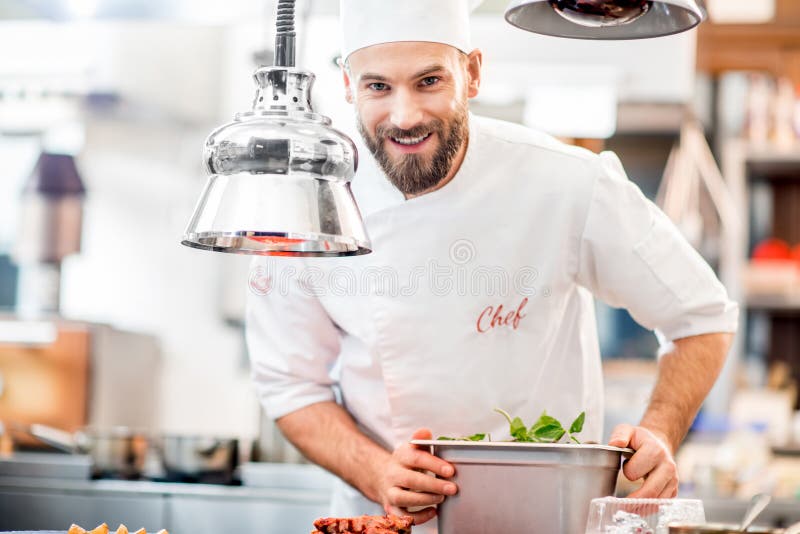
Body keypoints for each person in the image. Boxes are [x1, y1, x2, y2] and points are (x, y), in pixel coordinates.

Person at [246, 0, 738, 531]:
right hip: (387, 524)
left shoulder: (566, 183)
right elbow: (291, 386)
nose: (405, 115)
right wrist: (376, 470)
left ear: (472, 73)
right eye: (378, 86)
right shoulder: (309, 201)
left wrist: (661, 431)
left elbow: (702, 316)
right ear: (347, 85)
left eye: (429, 80)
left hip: (547, 521)